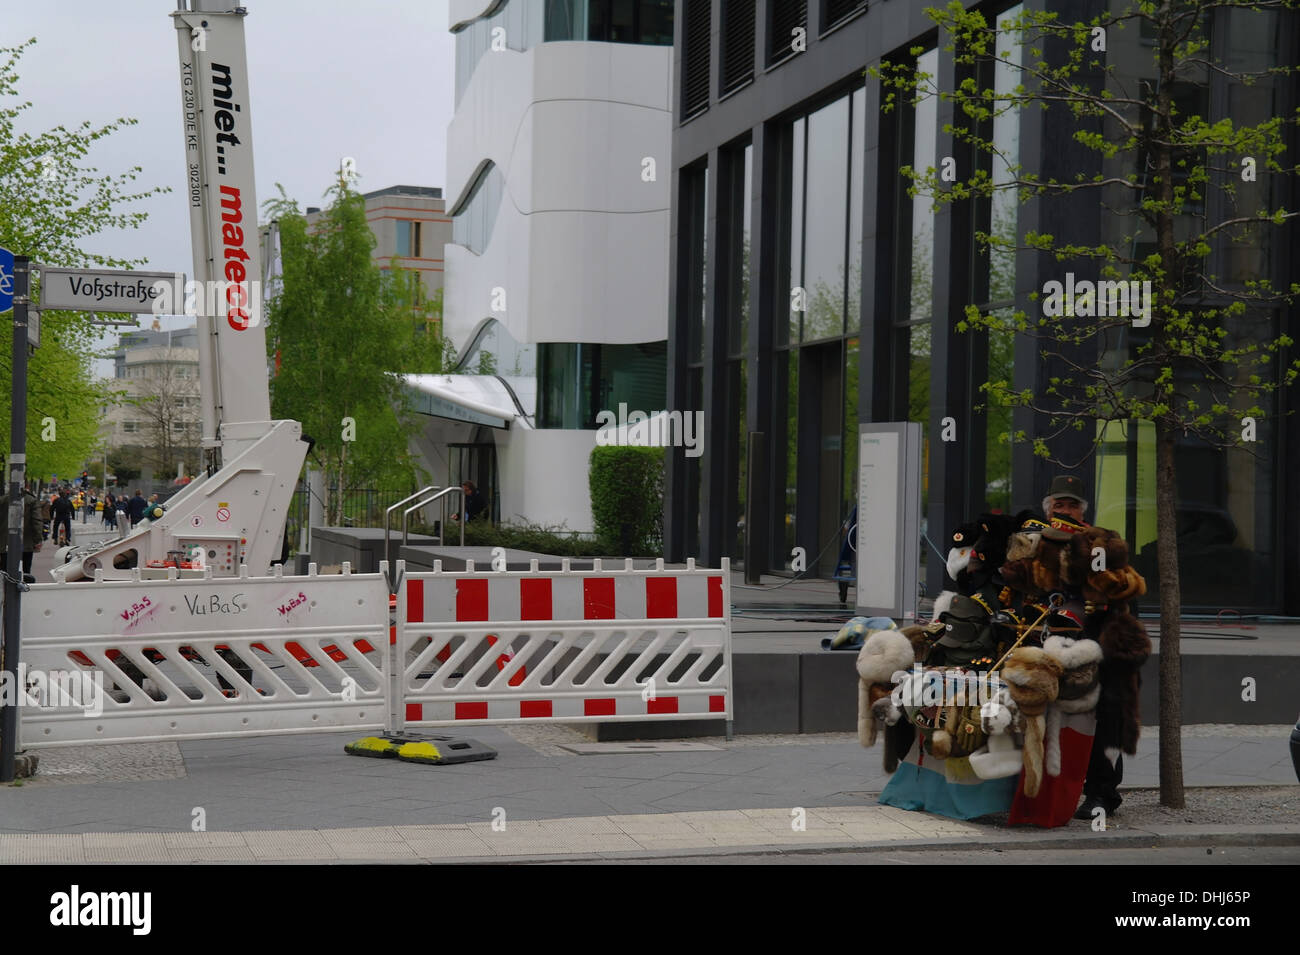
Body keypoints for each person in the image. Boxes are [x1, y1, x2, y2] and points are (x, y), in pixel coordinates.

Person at [0, 482, 45, 577]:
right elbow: (36, 521)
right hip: (26, 544)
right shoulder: (31, 500)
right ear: (26, 486)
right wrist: (38, 540)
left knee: (5, 572)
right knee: (25, 572)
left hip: (5, 544)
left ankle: (6, 590)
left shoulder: (2, 500)